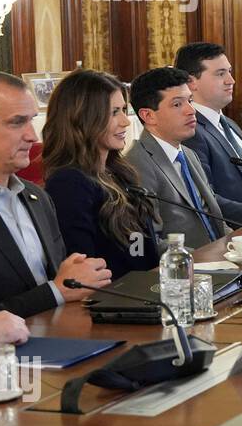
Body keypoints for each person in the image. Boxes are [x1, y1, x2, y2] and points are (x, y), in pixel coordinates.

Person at [0, 70, 111, 341]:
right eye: (17, 122)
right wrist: (56, 291)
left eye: (31, 121)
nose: (32, 136)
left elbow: (61, 282)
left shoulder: (37, 197)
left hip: (65, 342)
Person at [42, 70, 160, 278]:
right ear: (83, 118)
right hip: (112, 301)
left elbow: (141, 248)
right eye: (114, 112)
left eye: (124, 109)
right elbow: (84, 267)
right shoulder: (69, 183)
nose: (125, 121)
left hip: (146, 292)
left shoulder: (119, 172)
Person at [177, 42, 242, 225]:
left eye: (229, 71)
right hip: (240, 236)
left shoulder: (230, 124)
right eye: (220, 74)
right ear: (191, 82)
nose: (231, 80)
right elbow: (207, 198)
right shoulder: (191, 132)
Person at [125, 66, 226, 250]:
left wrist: (236, 247)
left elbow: (212, 217)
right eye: (177, 104)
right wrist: (202, 260)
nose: (191, 110)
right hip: (187, 270)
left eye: (190, 100)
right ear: (148, 115)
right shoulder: (137, 163)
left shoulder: (188, 153)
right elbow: (148, 241)